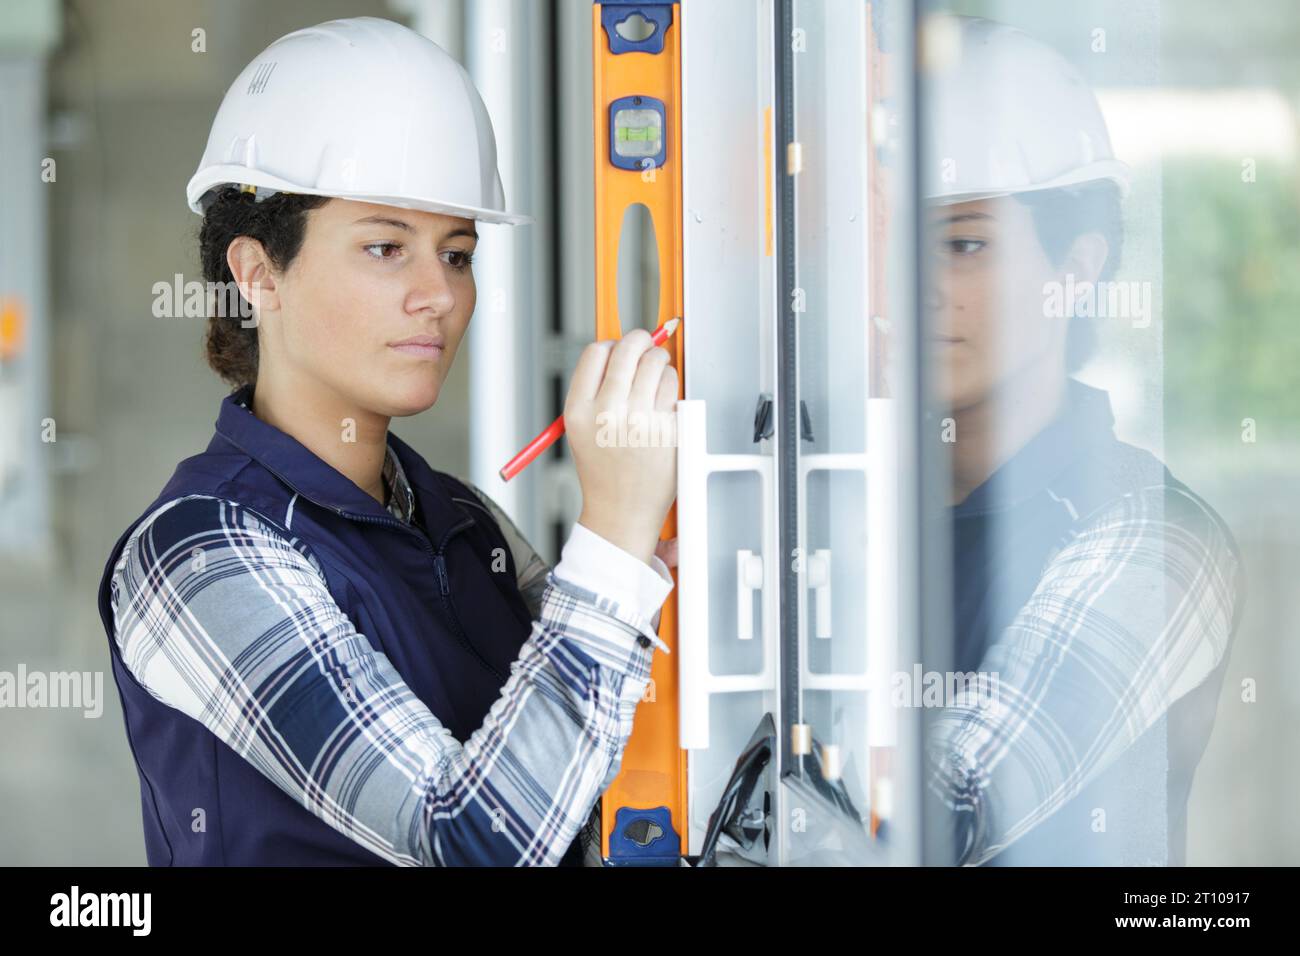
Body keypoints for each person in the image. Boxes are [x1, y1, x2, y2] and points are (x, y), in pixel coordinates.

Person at [96, 16, 679, 866]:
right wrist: (614, 541)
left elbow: (587, 771)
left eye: (456, 254)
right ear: (258, 274)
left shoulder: (462, 520)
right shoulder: (194, 555)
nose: (436, 296)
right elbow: (471, 842)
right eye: (383, 247)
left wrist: (662, 568)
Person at [917, 15, 1245, 865]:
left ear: (1078, 267)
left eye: (962, 244)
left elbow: (936, 818)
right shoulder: (838, 508)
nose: (914, 286)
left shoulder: (1159, 539)